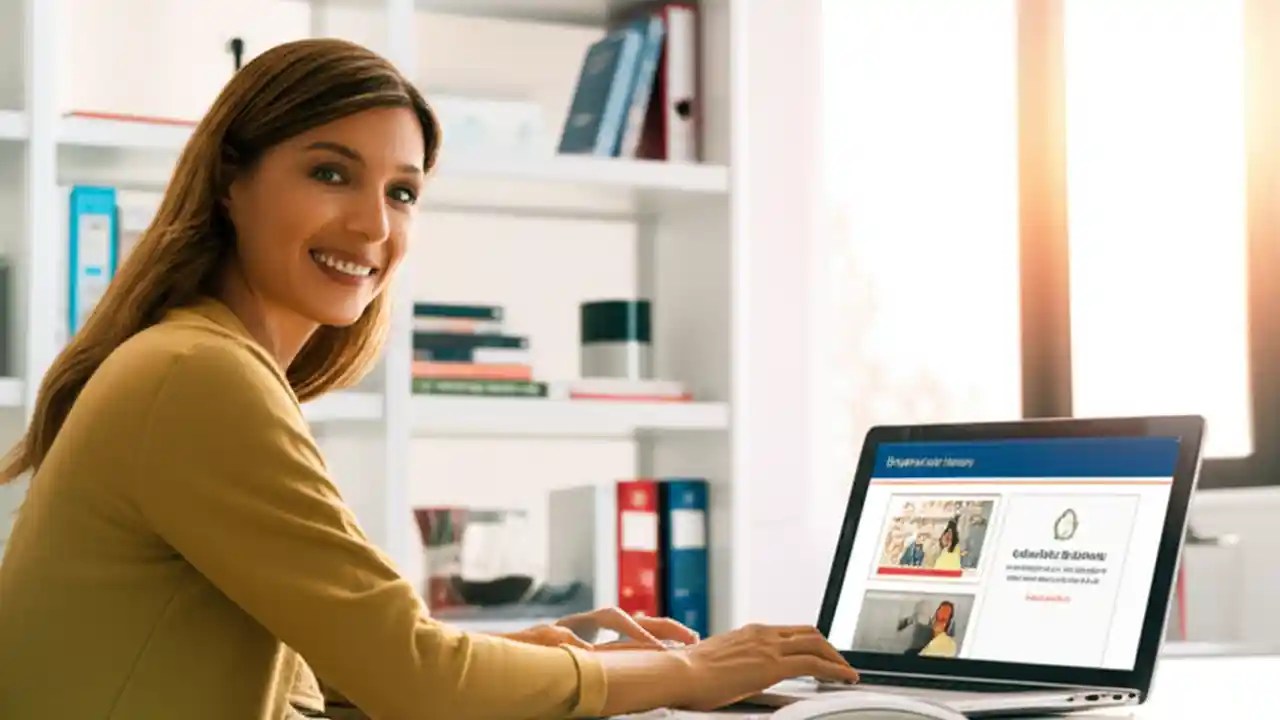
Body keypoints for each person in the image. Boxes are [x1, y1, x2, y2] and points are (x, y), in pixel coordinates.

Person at [0, 39, 858, 719]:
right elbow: (416, 684)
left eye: (402, 192)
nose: (373, 223)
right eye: (330, 172)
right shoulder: (196, 377)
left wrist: (539, 659)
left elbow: (322, 674)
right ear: (232, 180)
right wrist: (685, 670)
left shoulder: (199, 361)